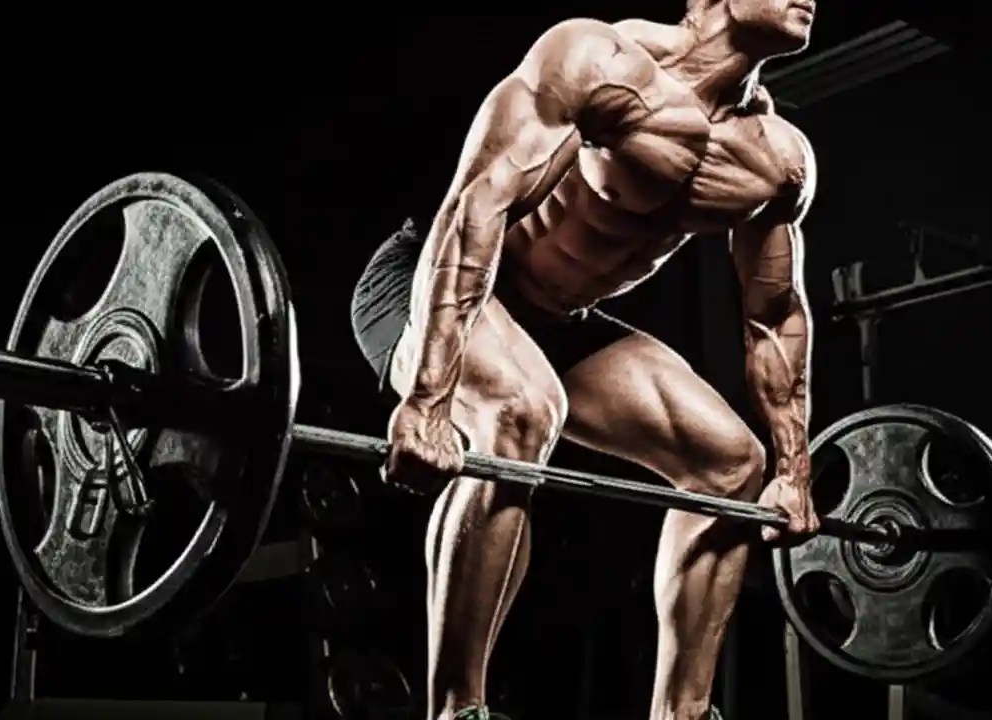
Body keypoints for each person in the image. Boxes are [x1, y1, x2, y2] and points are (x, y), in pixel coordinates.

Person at [351, 2, 822, 718]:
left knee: (730, 465)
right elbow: (475, 208)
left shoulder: (777, 159)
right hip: (432, 281)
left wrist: (794, 471)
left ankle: (681, 712)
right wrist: (427, 398)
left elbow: (776, 315)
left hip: (558, 322)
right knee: (522, 410)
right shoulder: (599, 59)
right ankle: (457, 709)